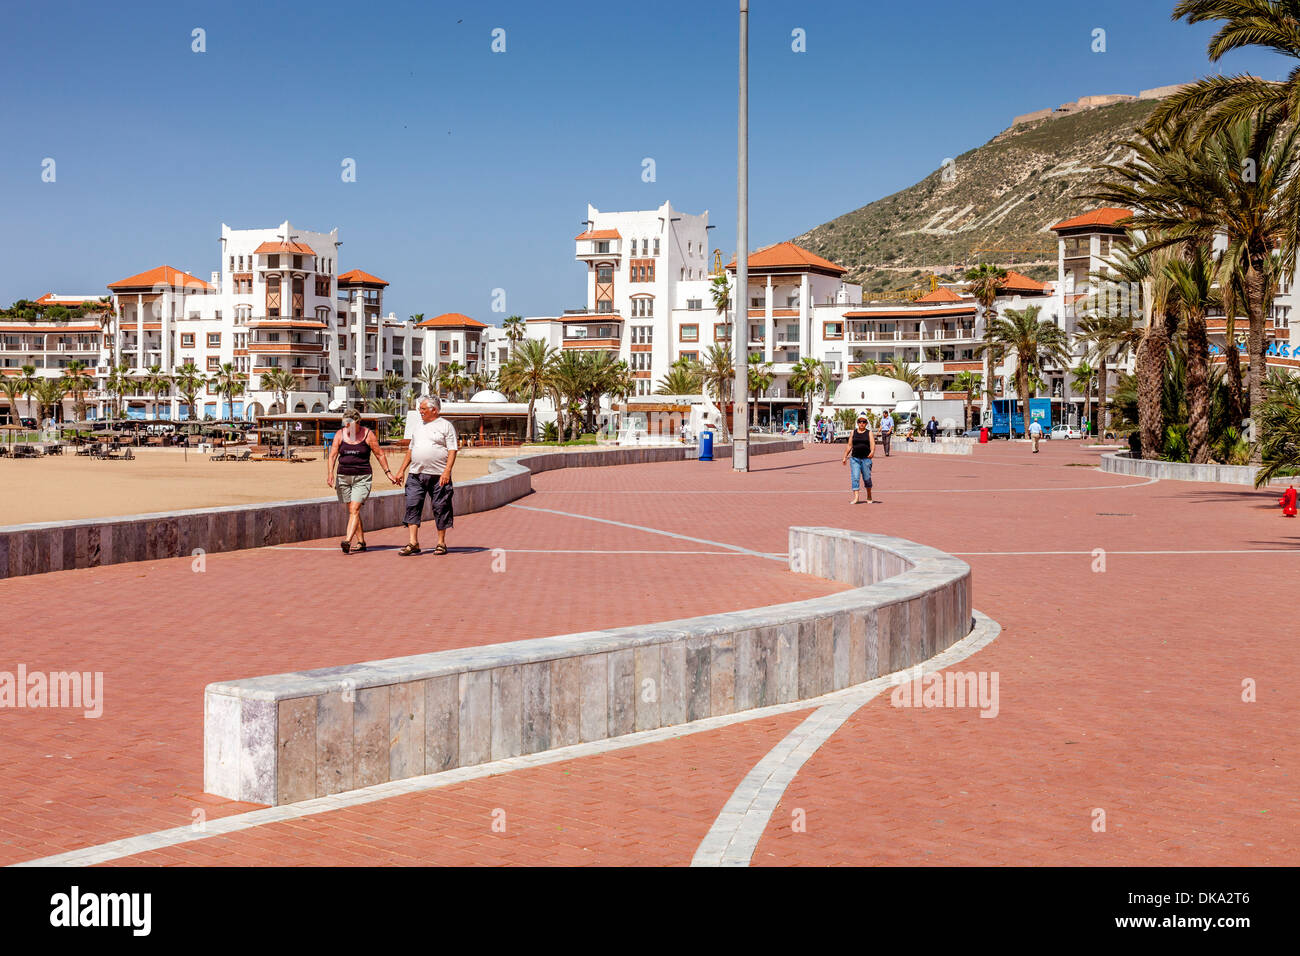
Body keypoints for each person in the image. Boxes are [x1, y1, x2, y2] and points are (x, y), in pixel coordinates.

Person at [394, 395, 458, 556]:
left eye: (423, 409)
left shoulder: (446, 426)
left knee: (440, 507)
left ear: (434, 410)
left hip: (439, 476)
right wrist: (401, 470)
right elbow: (411, 449)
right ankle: (413, 543)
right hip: (416, 474)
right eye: (420, 408)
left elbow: (452, 450)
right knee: (412, 505)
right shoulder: (418, 426)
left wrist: (447, 471)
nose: (420, 411)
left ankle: (441, 543)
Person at [326, 408, 393, 554]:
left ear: (358, 423)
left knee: (354, 509)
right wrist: (330, 474)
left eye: (351, 424)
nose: (348, 427)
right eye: (346, 424)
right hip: (343, 477)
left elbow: (379, 454)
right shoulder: (340, 434)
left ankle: (347, 541)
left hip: (362, 477)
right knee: (352, 511)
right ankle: (361, 541)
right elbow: (332, 456)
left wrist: (388, 473)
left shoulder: (368, 435)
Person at [842, 413, 876, 505]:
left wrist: (872, 452)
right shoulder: (853, 432)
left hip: (866, 459)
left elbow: (873, 445)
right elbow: (849, 445)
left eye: (864, 422)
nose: (862, 423)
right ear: (857, 423)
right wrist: (845, 456)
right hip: (855, 459)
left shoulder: (869, 433)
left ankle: (869, 494)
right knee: (855, 477)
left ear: (866, 423)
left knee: (867, 478)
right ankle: (856, 497)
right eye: (860, 422)